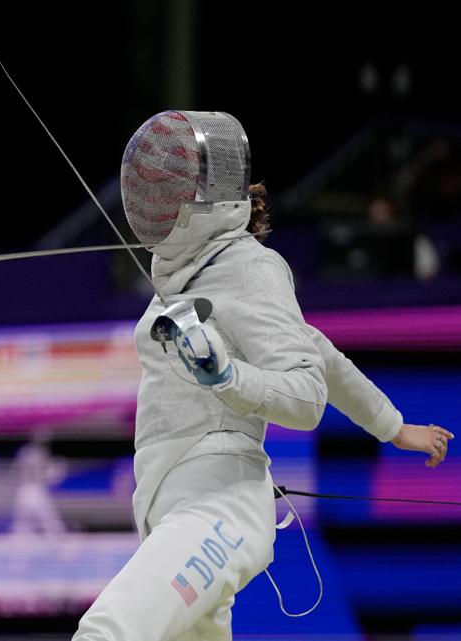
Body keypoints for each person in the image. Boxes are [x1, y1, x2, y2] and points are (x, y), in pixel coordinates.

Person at [71, 110, 454, 641]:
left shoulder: (250, 267)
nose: (153, 185)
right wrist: (393, 426)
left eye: (173, 176)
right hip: (169, 507)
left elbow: (307, 392)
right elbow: (319, 352)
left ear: (205, 192)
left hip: (220, 506)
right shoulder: (187, 276)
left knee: (109, 631)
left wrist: (226, 375)